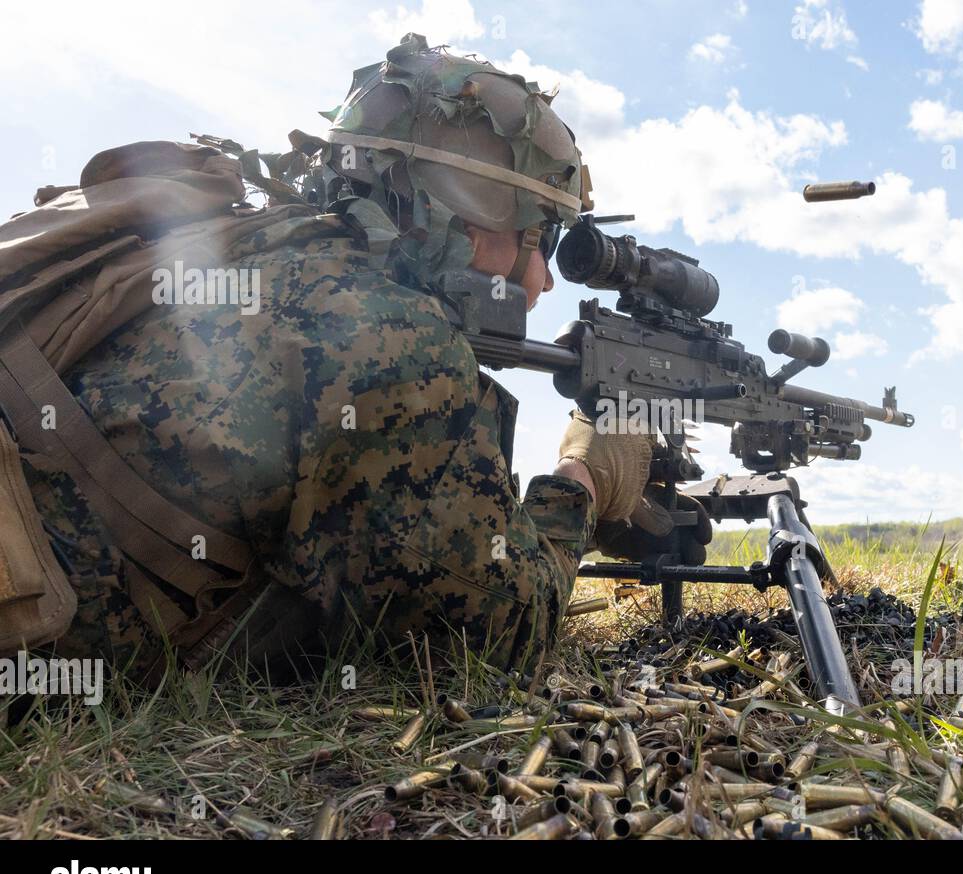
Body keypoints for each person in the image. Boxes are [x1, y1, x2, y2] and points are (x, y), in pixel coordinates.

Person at [4, 34, 655, 679]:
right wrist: (586, 475)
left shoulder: (259, 249)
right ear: (453, 210)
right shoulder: (388, 340)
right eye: (537, 234)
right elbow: (502, 637)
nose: (542, 277)